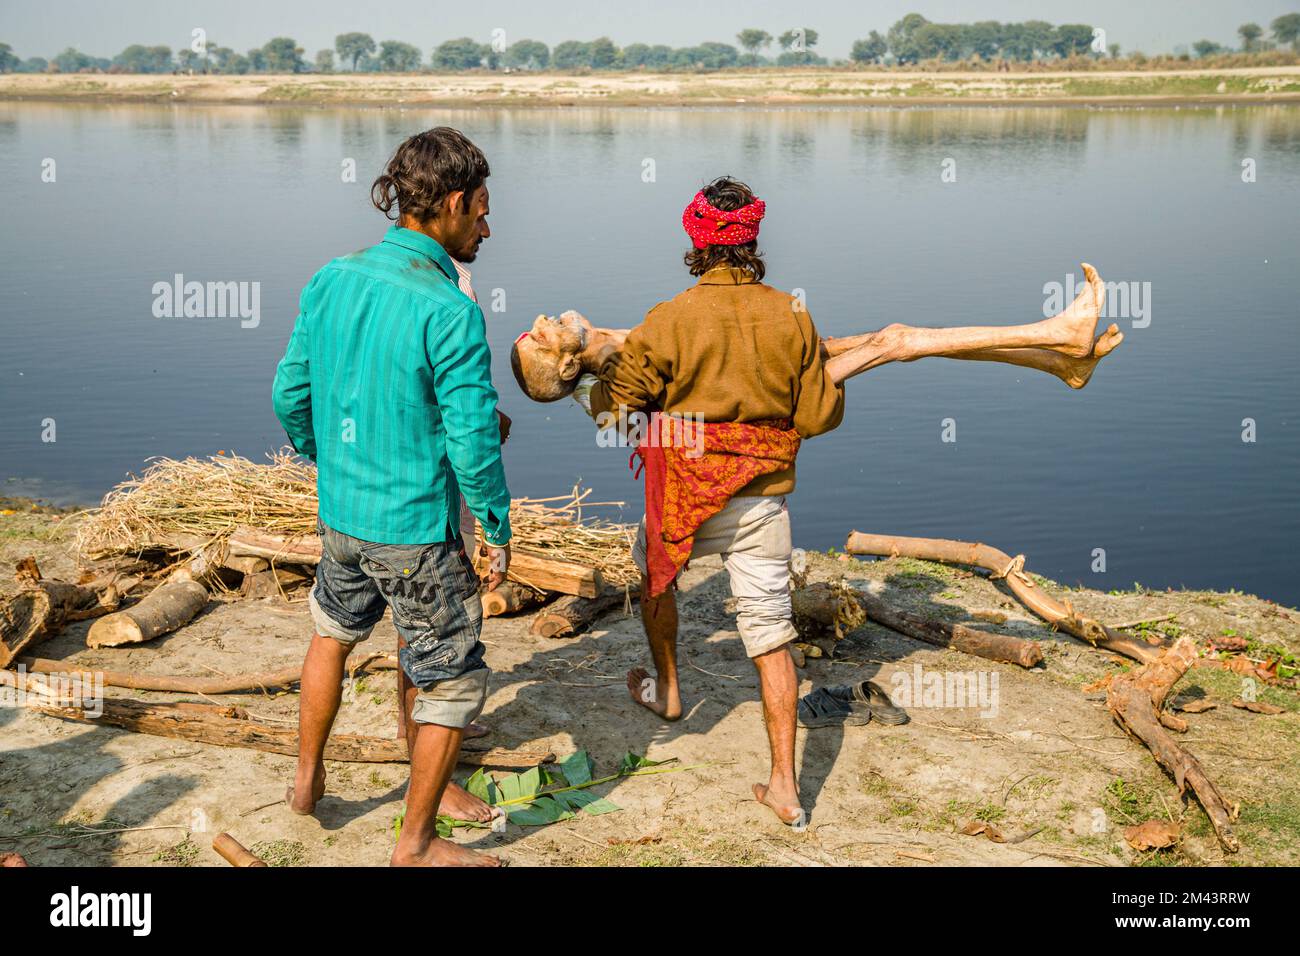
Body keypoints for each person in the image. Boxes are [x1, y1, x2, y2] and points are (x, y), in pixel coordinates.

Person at [271, 127, 511, 867]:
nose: (486, 226)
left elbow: (290, 394)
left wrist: (332, 460)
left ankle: (307, 783)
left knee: (332, 636)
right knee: (452, 677)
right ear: (454, 202)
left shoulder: (333, 277)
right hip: (413, 531)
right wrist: (495, 528)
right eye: (482, 209)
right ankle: (416, 846)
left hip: (342, 518)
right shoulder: (449, 310)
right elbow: (472, 439)